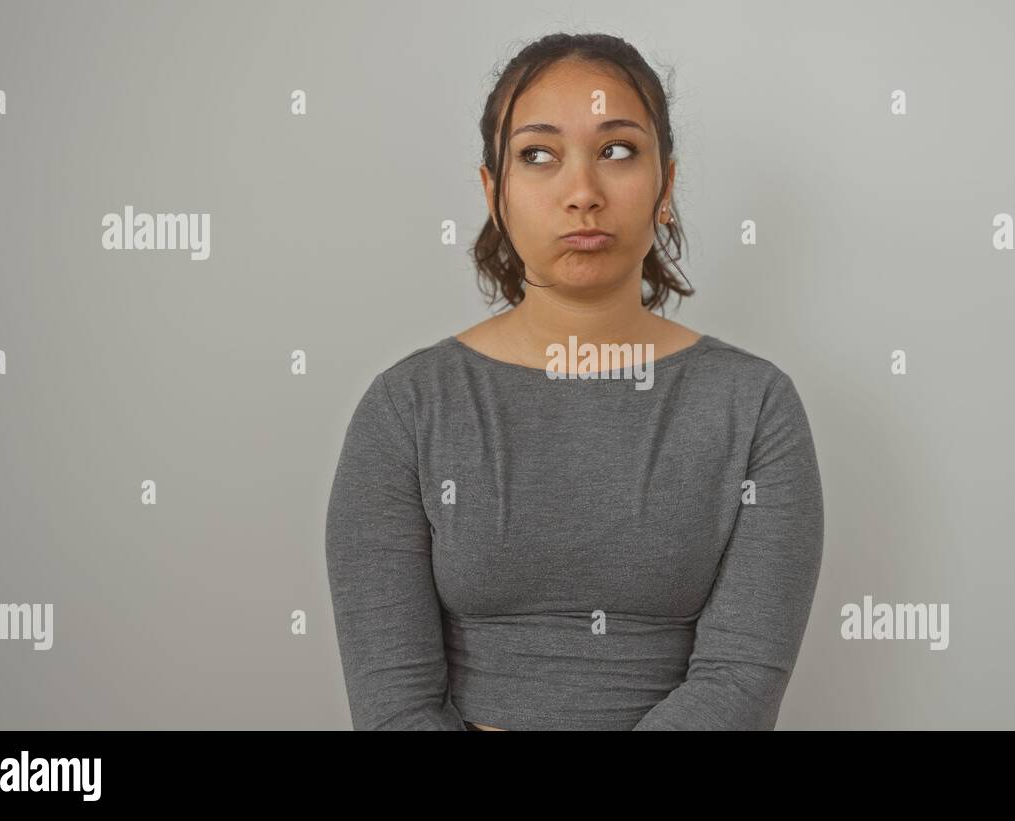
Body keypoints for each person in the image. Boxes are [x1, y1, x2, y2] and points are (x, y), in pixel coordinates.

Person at [325, 33, 824, 731]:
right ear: (493, 191)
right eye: (538, 155)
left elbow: (739, 681)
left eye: (617, 150)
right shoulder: (405, 410)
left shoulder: (756, 409)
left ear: (666, 185)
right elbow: (393, 706)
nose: (582, 193)